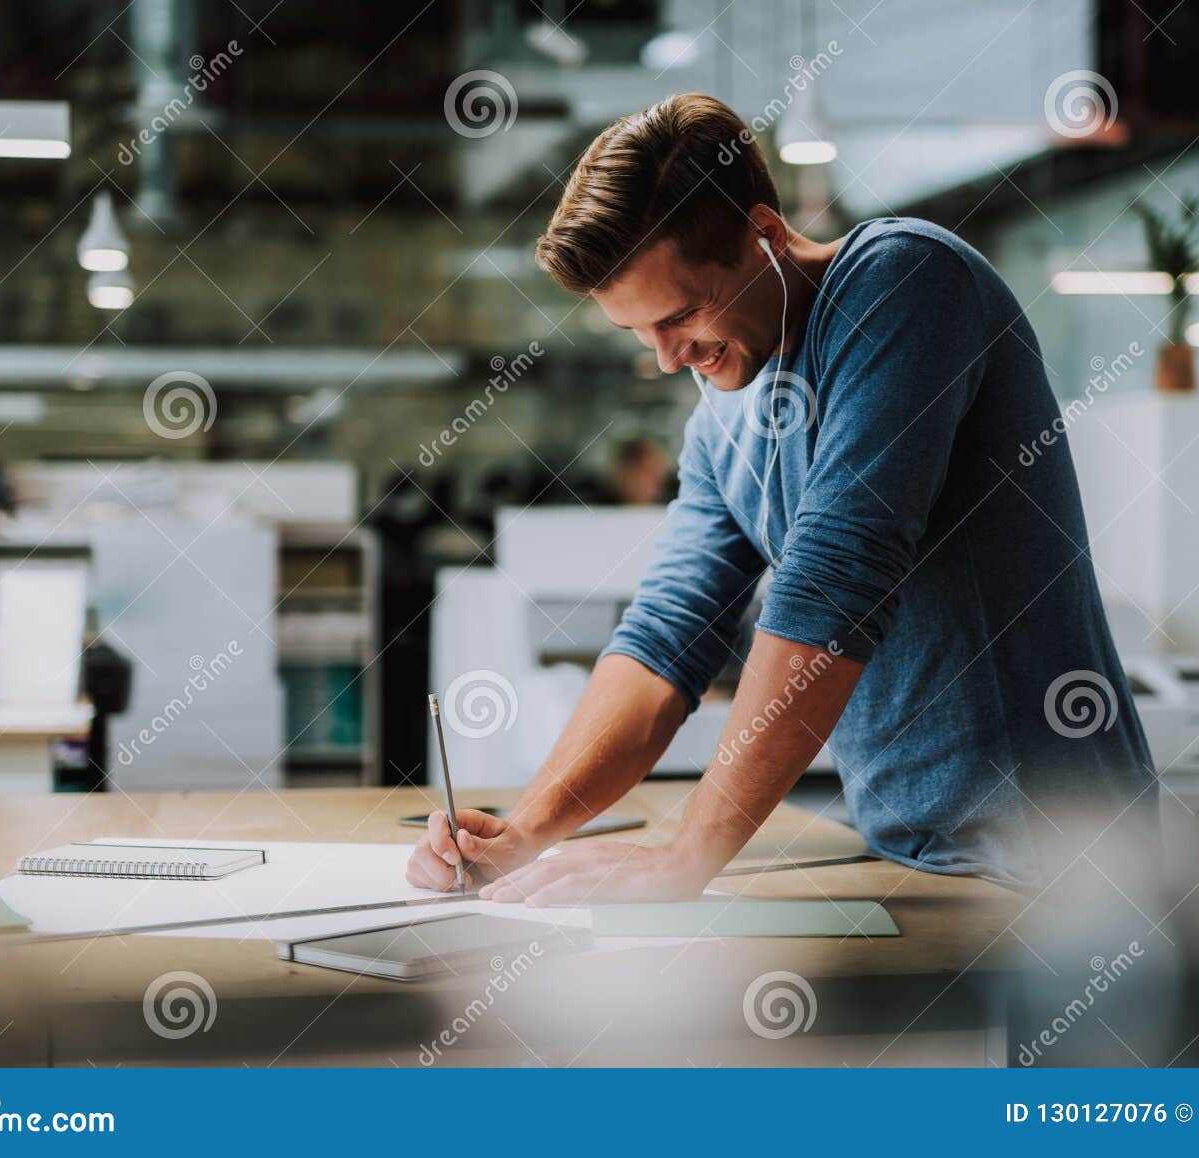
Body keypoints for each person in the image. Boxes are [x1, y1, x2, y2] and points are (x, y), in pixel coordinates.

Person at [407, 93, 1156, 903]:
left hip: (1063, 861)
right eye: (638, 334)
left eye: (683, 314)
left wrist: (686, 856)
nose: (665, 360)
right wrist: (525, 830)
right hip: (911, 854)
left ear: (764, 235)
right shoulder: (722, 418)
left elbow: (838, 580)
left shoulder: (905, 283)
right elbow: (665, 639)